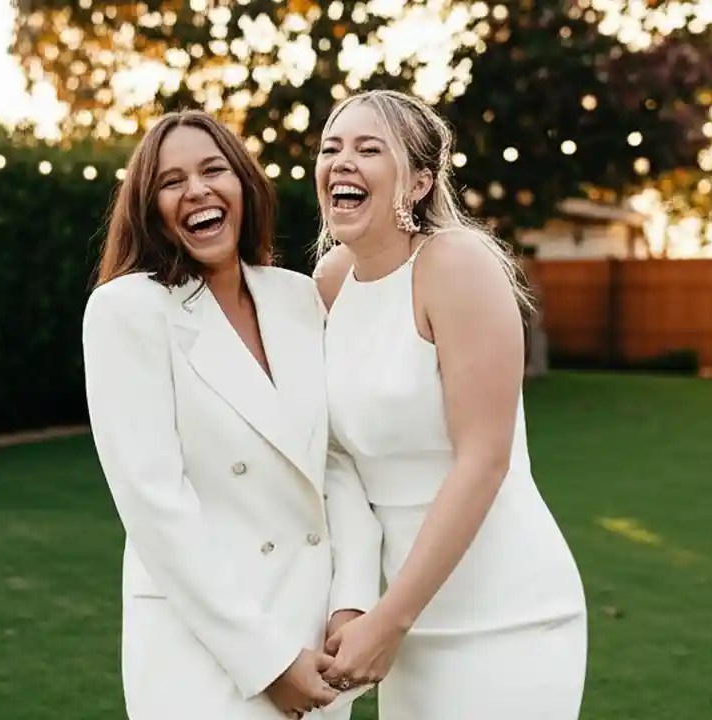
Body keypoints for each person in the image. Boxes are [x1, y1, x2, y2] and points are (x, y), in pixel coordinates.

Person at [81, 110, 381, 719]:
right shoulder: (126, 311)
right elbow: (155, 507)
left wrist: (351, 602)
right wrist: (268, 662)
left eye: (213, 169)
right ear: (149, 207)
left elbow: (335, 461)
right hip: (204, 649)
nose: (196, 189)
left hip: (314, 635)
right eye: (171, 181)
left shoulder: (297, 296)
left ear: (243, 185)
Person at [310, 89, 588, 719]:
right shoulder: (328, 283)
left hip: (507, 616)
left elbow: (483, 460)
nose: (342, 162)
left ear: (419, 182)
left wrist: (389, 619)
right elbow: (336, 461)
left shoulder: (457, 264)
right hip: (405, 626)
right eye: (331, 149)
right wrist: (357, 604)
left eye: (368, 149)